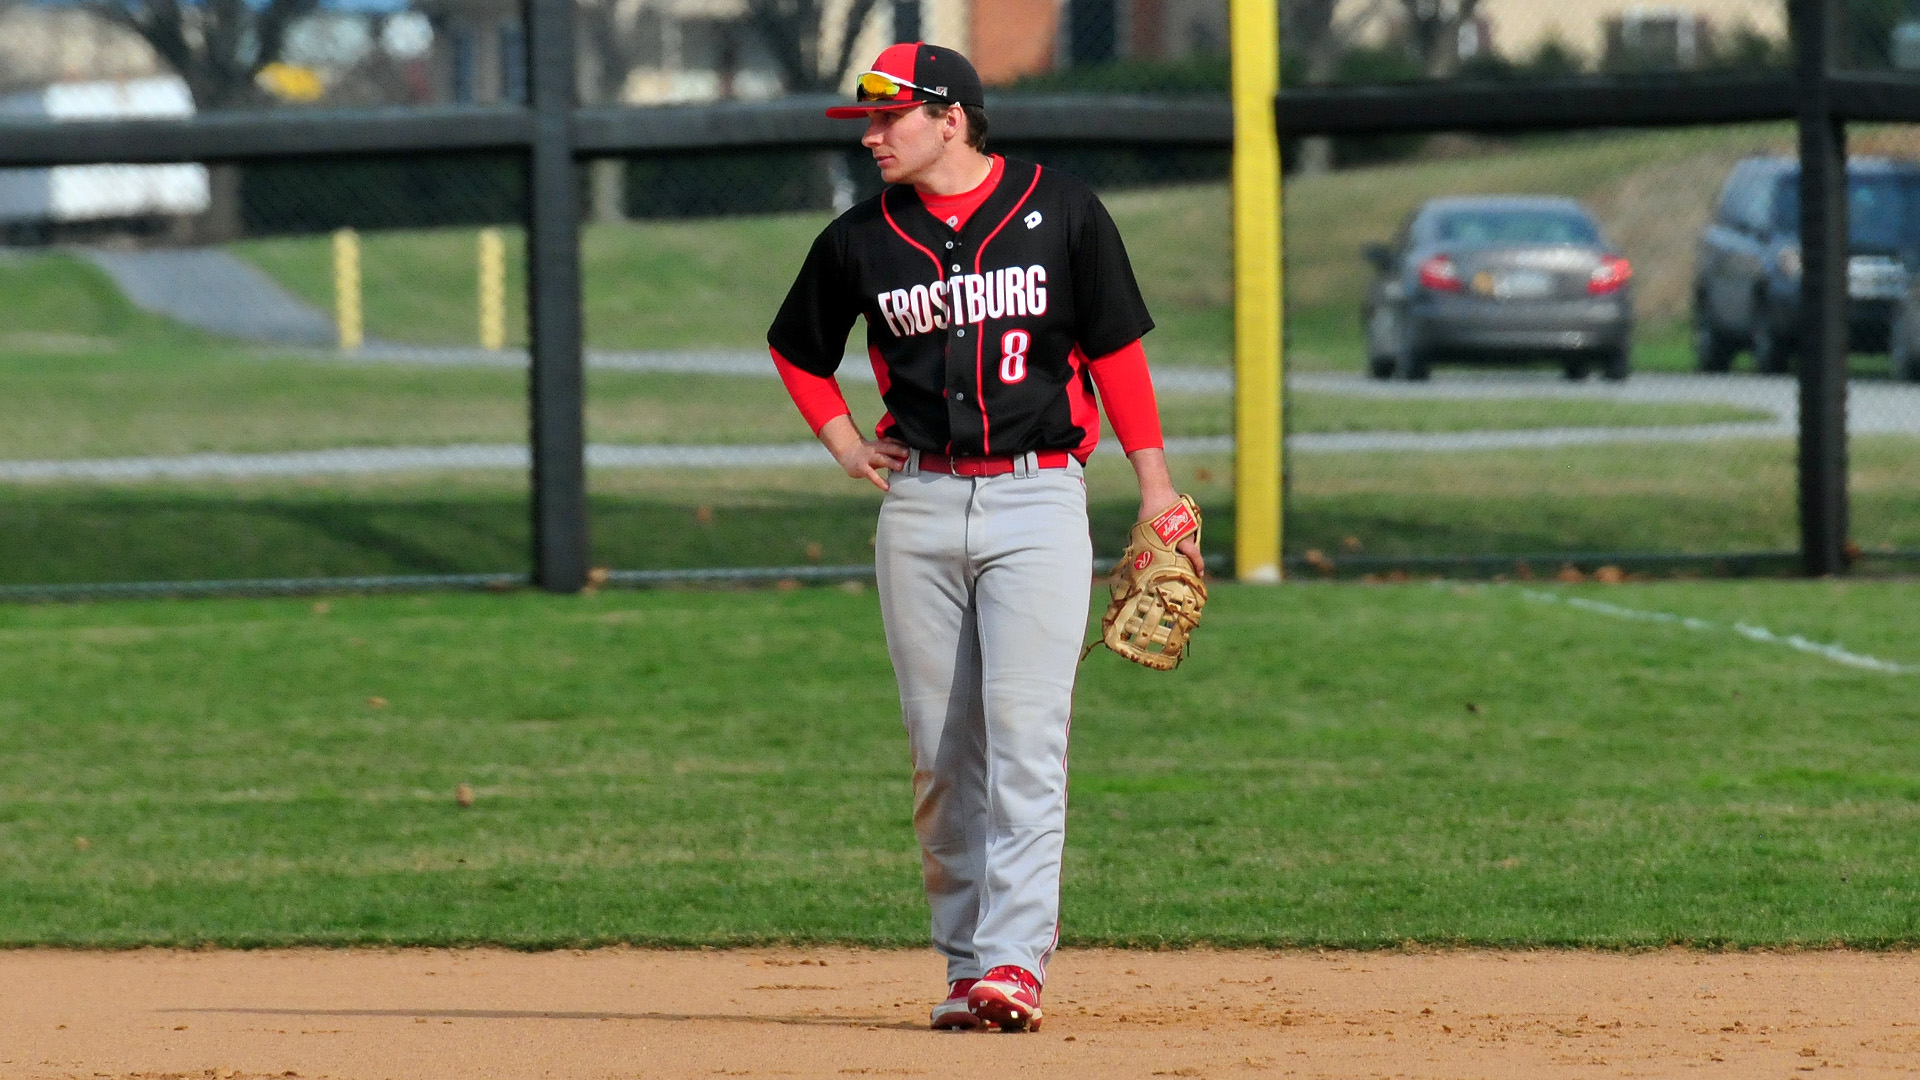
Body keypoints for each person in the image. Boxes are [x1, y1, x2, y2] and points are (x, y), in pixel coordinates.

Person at [766, 42, 1201, 1033]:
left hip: (1039, 501)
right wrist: (840, 440)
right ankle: (966, 964)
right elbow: (798, 350)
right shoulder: (859, 242)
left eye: (889, 119)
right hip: (917, 507)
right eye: (868, 124)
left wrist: (1156, 486)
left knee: (1027, 744)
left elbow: (1116, 353)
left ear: (951, 117)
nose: (872, 137)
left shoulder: (1064, 209)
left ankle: (1014, 963)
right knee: (942, 756)